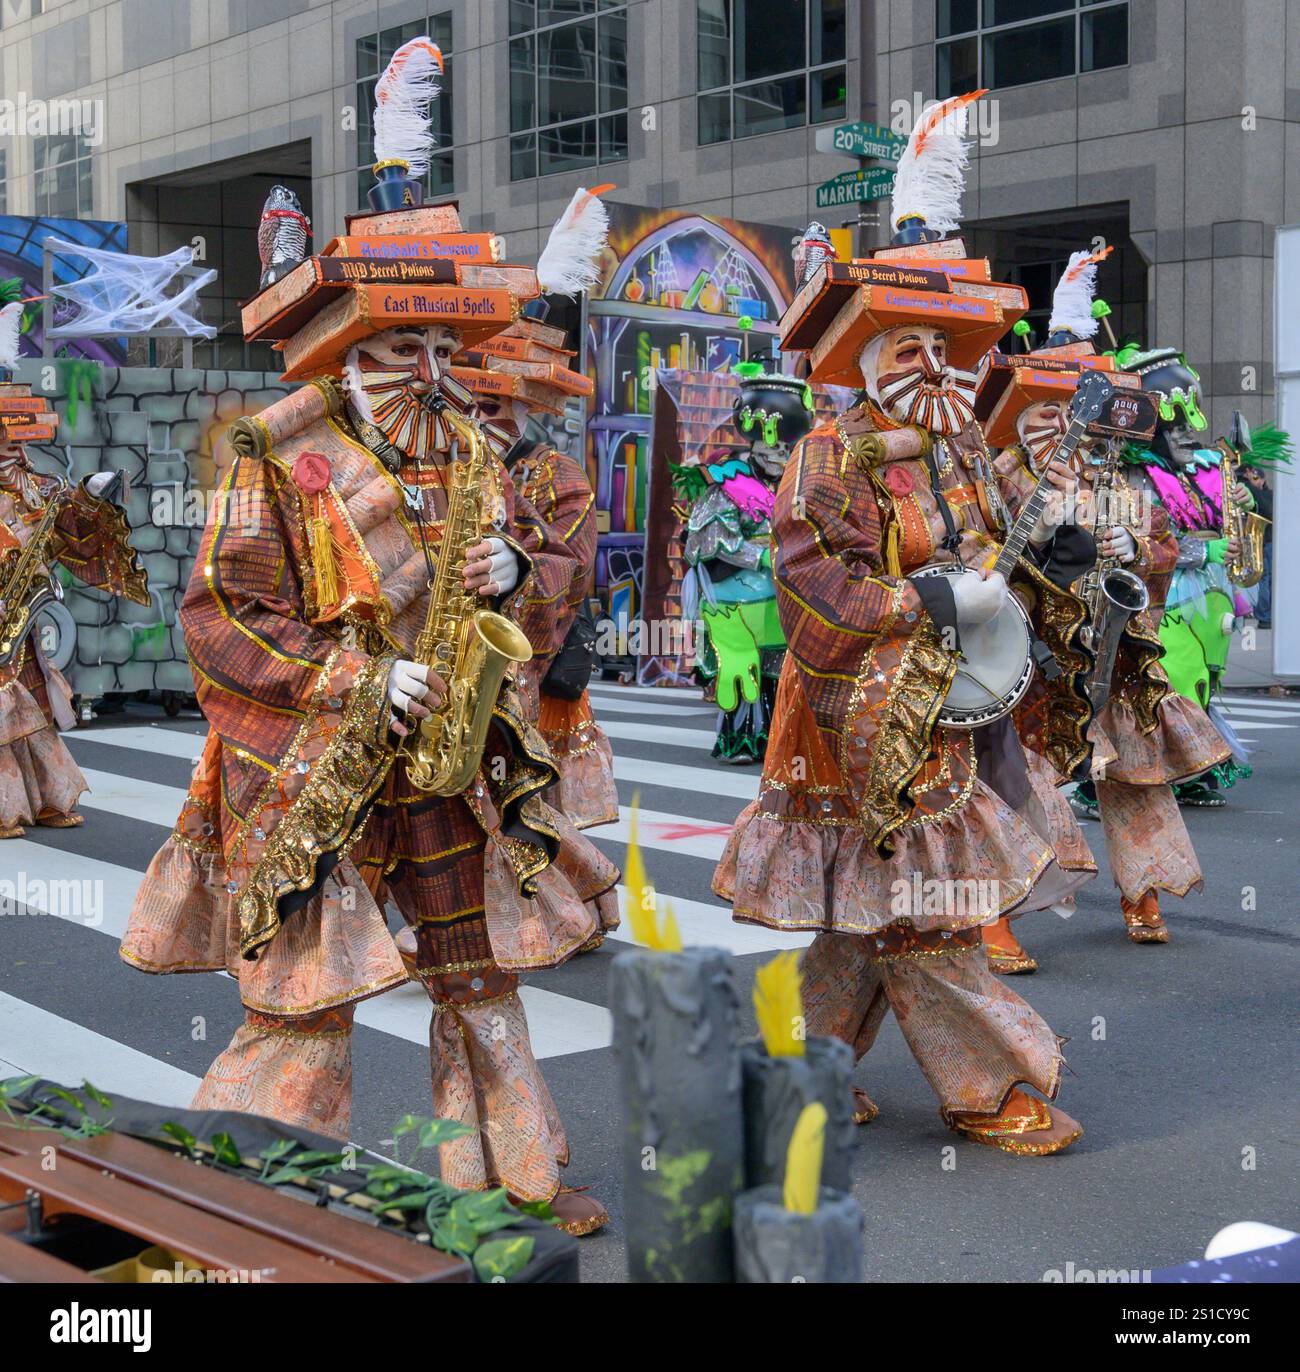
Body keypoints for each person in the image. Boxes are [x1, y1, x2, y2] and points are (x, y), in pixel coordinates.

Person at [120, 39, 609, 1236]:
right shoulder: (272, 456)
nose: (438, 373)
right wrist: (354, 675)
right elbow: (220, 619)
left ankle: (508, 1174)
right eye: (408, 350)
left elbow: (544, 588)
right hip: (320, 773)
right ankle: (234, 1206)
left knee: (479, 977)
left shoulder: (482, 454)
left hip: (448, 765)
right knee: (303, 1002)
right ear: (344, 348)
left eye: (448, 350)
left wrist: (521, 568)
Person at [715, 93, 1096, 1154]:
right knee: (925, 908)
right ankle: (990, 1084)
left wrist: (1055, 565)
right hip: (856, 715)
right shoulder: (826, 452)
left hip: (961, 711)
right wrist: (917, 600)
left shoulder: (970, 447)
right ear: (867, 357)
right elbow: (807, 591)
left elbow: (1000, 564)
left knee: (866, 915)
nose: (932, 362)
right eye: (910, 344)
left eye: (944, 342)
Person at [979, 251, 1230, 952]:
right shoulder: (995, 476)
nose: (1051, 426)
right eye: (1037, 414)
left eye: (1064, 413)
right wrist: (1034, 530)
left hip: (1114, 649)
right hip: (1029, 657)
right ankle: (997, 914)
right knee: (1015, 782)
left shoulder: (1113, 470)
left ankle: (1142, 893)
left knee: (1137, 775)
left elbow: (1162, 548)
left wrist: (1135, 547)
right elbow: (976, 555)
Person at [1115, 349, 1290, 806]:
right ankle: (1142, 771)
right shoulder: (1133, 473)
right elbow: (1142, 536)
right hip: (1165, 591)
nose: (1185, 433)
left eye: (1186, 422)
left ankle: (1193, 769)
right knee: (1173, 676)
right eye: (1173, 426)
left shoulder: (1208, 461)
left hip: (1216, 591)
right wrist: (1205, 547)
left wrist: (1241, 502)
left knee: (1205, 681)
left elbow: (1225, 512)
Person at [0, 384, 148, 837]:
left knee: (34, 699)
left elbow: (64, 522)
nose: (15, 446)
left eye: (16, 438)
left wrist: (87, 493)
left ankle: (46, 796)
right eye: (6, 439)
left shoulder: (30, 480)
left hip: (22, 604)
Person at [675, 364, 815, 764]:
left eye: (785, 450)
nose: (778, 457)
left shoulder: (798, 483)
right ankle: (740, 741)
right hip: (737, 600)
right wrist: (765, 556)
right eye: (772, 450)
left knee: (779, 671)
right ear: (755, 446)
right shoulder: (729, 485)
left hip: (781, 600)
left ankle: (776, 741)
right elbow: (710, 541)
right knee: (742, 672)